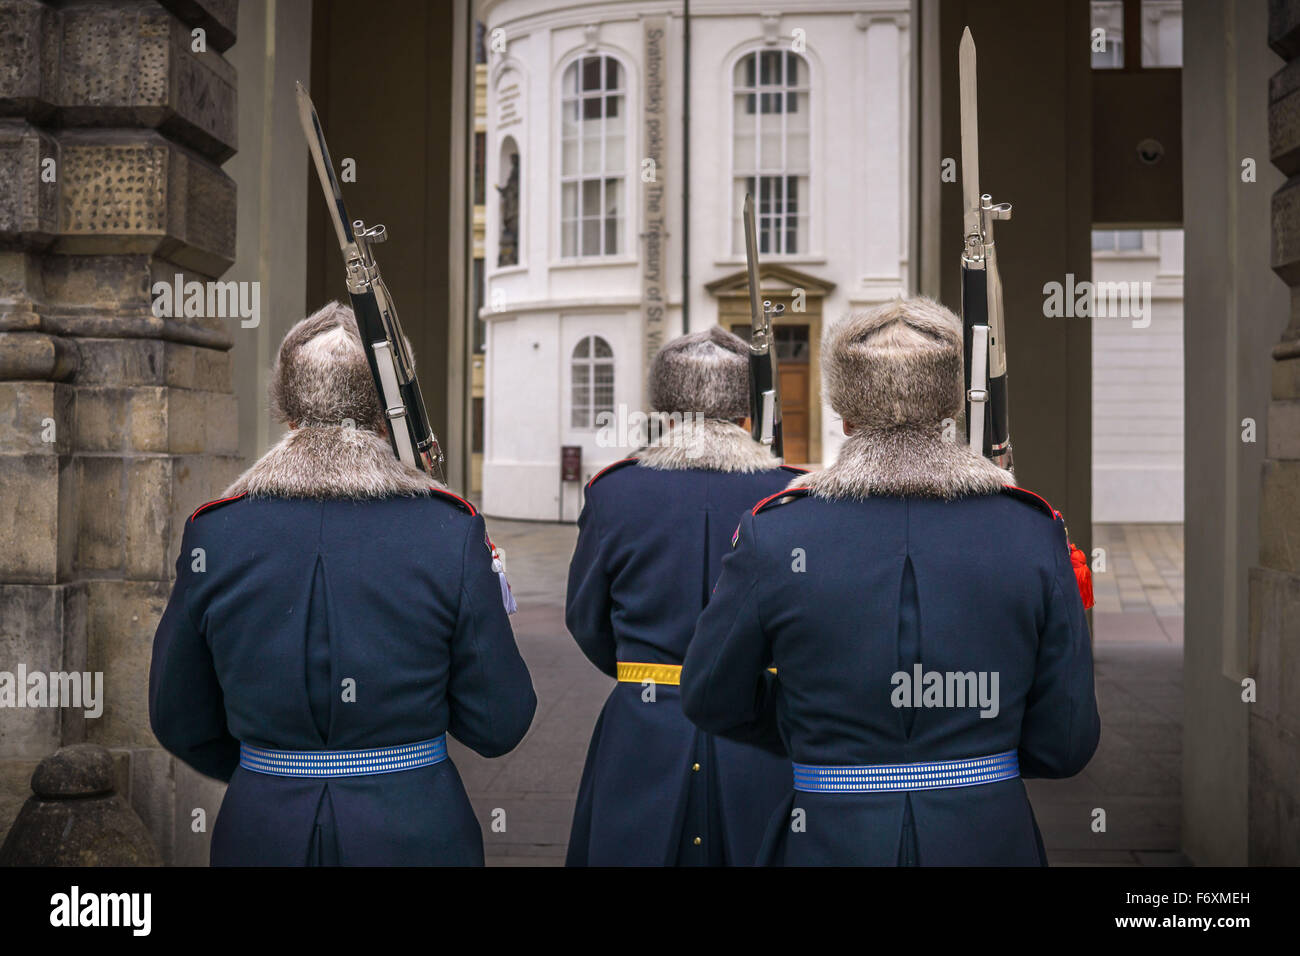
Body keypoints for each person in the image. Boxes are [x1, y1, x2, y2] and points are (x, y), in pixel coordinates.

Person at [681, 297, 1101, 866]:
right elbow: (1067, 742)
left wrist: (807, 722)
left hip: (827, 835)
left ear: (846, 412)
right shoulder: (1031, 530)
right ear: (951, 405)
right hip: (986, 835)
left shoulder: (777, 533)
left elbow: (710, 695)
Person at [149, 302, 536, 866]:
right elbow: (499, 721)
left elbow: (176, 713)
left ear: (285, 407)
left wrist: (273, 773)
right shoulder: (448, 529)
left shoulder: (216, 531)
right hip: (413, 830)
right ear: (387, 411)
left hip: (263, 828)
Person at [564, 326, 804, 866]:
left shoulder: (614, 491)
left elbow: (586, 621)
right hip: (761, 729)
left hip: (642, 729)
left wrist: (643, 668)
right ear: (748, 411)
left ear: (666, 410)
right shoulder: (790, 494)